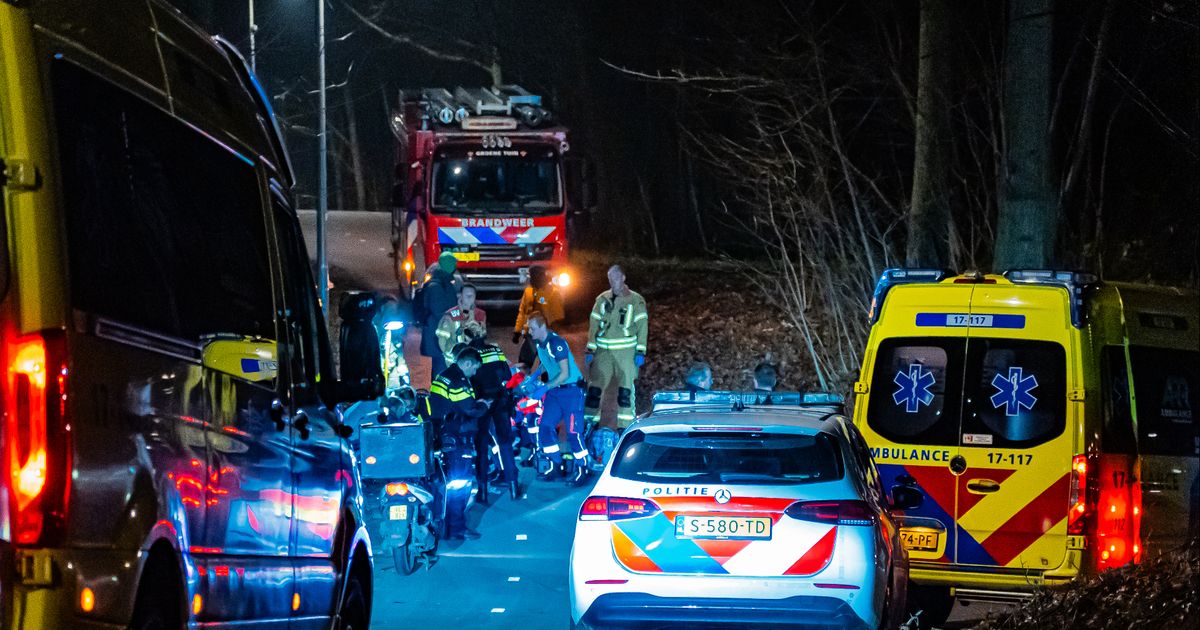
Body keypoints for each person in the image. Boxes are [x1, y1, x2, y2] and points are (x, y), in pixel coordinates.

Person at [425, 348, 491, 540]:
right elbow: (470, 409)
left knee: (447, 483)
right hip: (457, 436)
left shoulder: (443, 376)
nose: (474, 372)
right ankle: (457, 528)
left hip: (443, 434)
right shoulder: (458, 380)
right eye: (474, 368)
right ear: (467, 363)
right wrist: (483, 405)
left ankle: (446, 526)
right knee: (459, 483)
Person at [524, 312, 590, 486]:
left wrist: (544, 388)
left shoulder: (556, 343)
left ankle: (582, 469)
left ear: (542, 326)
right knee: (545, 426)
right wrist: (534, 376)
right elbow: (546, 362)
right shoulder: (541, 344)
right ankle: (555, 465)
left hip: (571, 391)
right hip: (556, 392)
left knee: (573, 433)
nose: (529, 332)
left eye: (532, 328)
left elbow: (565, 373)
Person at [462, 321, 524, 502]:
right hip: (500, 401)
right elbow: (507, 375)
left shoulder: (467, 354)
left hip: (480, 404)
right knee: (505, 443)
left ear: (467, 336)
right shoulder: (495, 350)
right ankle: (513, 487)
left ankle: (482, 492)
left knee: (481, 446)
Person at [584, 264, 648, 430]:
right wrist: (590, 348)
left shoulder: (635, 300)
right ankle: (589, 424)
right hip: (603, 351)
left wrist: (640, 351)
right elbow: (594, 324)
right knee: (594, 390)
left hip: (625, 352)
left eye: (616, 277)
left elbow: (642, 326)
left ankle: (624, 428)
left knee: (625, 393)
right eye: (610, 278)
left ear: (623, 278)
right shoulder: (602, 299)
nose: (613, 281)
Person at [513, 266, 565, 369]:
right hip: (530, 334)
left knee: (547, 367)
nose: (533, 278)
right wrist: (517, 331)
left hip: (546, 335)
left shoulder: (553, 292)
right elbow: (522, 312)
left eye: (536, 275)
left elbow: (558, 316)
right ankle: (523, 380)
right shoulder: (528, 291)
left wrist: (553, 334)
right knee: (524, 364)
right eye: (532, 276)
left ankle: (547, 379)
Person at [419, 252, 461, 377]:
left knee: (442, 367)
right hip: (438, 335)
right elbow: (441, 313)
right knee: (441, 370)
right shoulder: (437, 286)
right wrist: (456, 321)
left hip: (442, 334)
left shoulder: (444, 283)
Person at [436, 283, 487, 366]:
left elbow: (482, 336)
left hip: (473, 361)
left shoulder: (480, 314)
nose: (469, 297)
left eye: (472, 295)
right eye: (467, 295)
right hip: (455, 360)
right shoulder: (450, 315)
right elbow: (442, 340)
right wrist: (450, 356)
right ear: (460, 296)